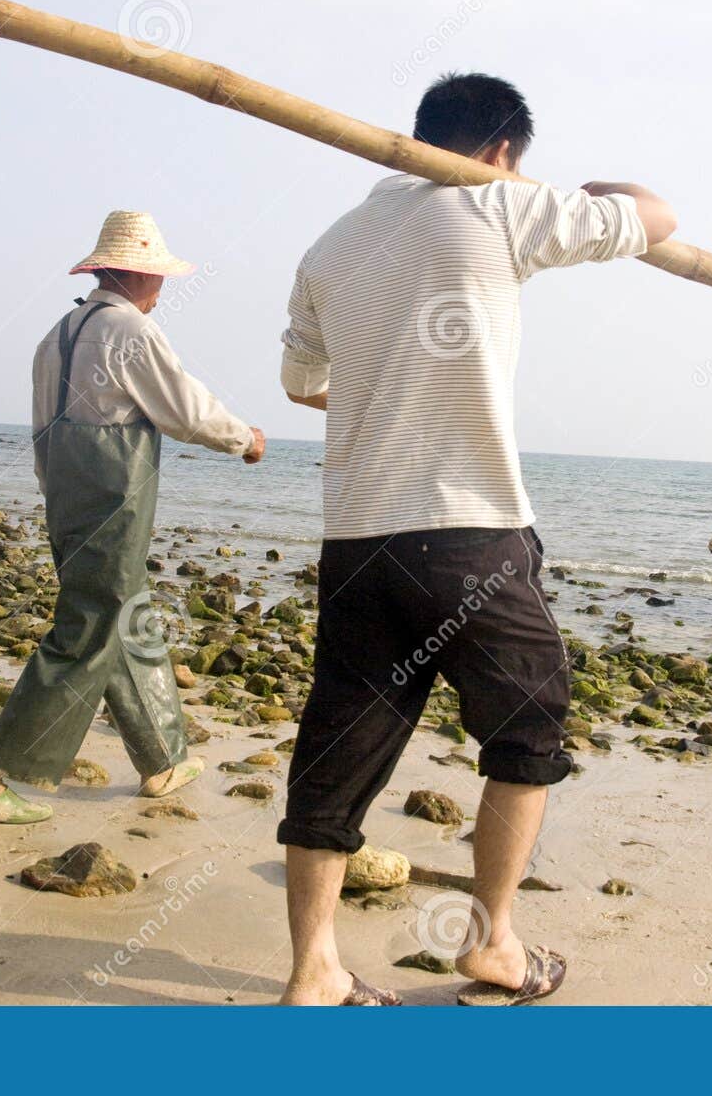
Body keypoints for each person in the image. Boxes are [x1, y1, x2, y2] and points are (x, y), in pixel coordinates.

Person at [276, 72, 676, 1006]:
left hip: (359, 544)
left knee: (339, 746)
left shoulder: (329, 247)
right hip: (471, 537)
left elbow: (300, 382)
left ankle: (313, 972)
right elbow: (657, 215)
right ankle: (496, 942)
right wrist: (575, 190)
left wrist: (390, 390)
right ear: (501, 151)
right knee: (527, 729)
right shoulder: (502, 206)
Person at [0, 211, 266, 824]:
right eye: (157, 276)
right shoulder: (130, 332)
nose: (162, 288)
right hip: (112, 496)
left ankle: (163, 757)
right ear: (134, 274)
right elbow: (184, 410)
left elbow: (44, 431)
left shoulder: (58, 333)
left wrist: (53, 492)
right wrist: (243, 439)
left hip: (68, 492)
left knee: (127, 613)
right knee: (91, 627)